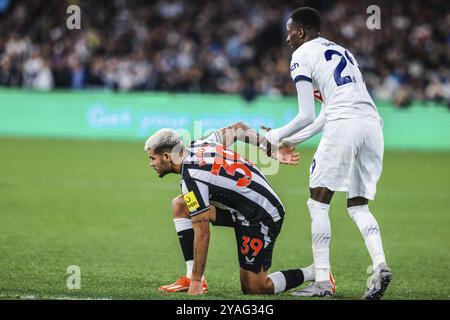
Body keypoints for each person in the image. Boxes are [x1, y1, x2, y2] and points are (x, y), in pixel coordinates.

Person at [260, 7, 392, 299]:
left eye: (290, 31)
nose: (287, 38)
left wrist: (271, 136)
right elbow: (324, 114)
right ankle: (380, 265)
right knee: (358, 206)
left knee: (318, 205)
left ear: (301, 31)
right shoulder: (344, 52)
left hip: (344, 126)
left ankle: (323, 282)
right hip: (372, 126)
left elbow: (306, 114)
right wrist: (289, 140)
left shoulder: (301, 55)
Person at [144, 123, 321, 295]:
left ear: (167, 157)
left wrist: (197, 284)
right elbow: (238, 129)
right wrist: (270, 149)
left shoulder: (192, 177)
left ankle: (314, 272)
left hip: (262, 216)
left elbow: (203, 233)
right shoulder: (199, 144)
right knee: (181, 205)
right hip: (241, 209)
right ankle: (191, 276)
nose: (151, 163)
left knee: (255, 288)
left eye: (152, 158)